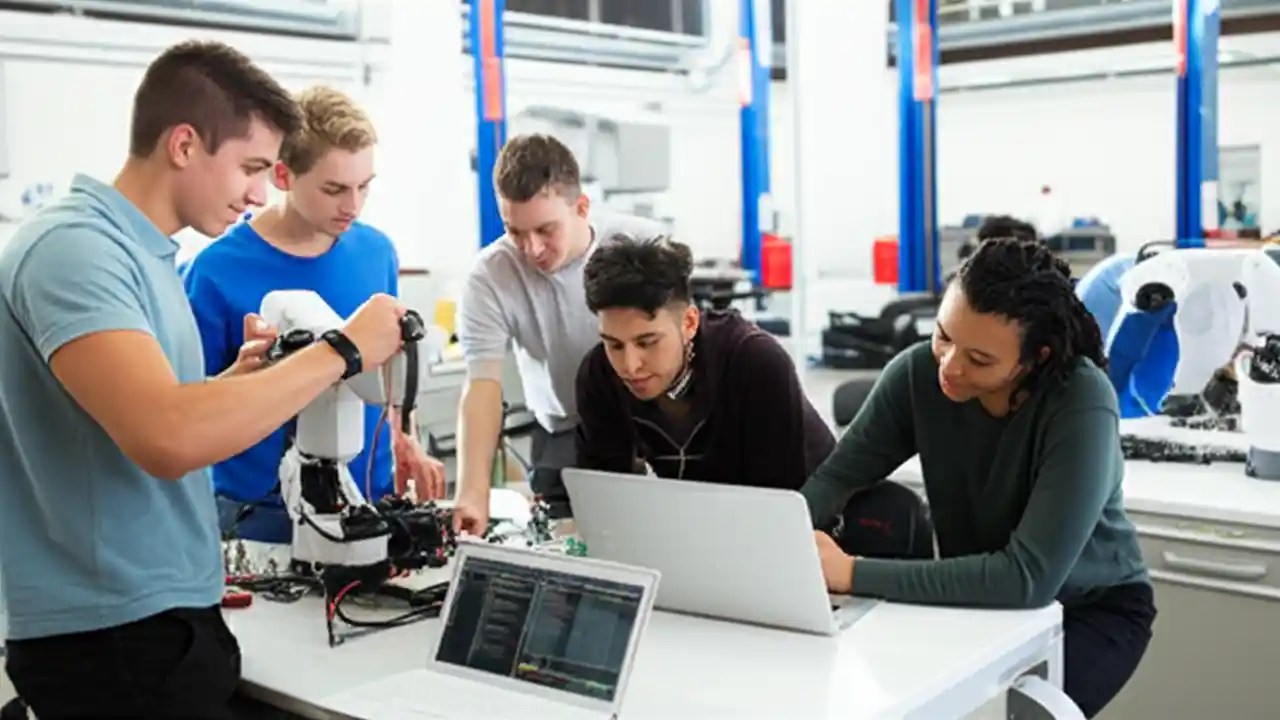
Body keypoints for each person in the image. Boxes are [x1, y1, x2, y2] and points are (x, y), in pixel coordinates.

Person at [0, 41, 409, 718]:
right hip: (114, 634)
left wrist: (235, 382)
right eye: (251, 168)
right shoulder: (76, 251)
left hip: (162, 619)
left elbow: (160, 410)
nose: (258, 193)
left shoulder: (145, 256)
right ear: (185, 144)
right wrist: (342, 350)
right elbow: (167, 437)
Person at [801, 236, 1154, 718]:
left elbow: (1027, 578)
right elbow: (837, 479)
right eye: (944, 336)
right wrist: (787, 538)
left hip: (1089, 608)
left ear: (1036, 357)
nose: (950, 366)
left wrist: (850, 573)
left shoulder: (1081, 400)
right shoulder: (918, 375)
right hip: (978, 604)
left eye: (980, 359)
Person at [182, 85, 445, 543]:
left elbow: (389, 366)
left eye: (364, 186)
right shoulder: (215, 272)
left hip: (369, 504)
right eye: (334, 189)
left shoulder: (377, 252)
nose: (353, 206)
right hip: (258, 517)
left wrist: (406, 438)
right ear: (283, 175)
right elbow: (189, 411)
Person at [451, 134, 662, 532]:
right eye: (515, 232)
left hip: (649, 421)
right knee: (560, 540)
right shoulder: (491, 275)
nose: (532, 249)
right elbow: (482, 386)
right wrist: (473, 493)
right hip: (562, 430)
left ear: (581, 208)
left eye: (546, 230)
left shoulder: (641, 245)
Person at [574, 233, 834, 488]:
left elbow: (778, 495)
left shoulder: (754, 361)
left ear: (689, 323)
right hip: (701, 509)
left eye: (647, 343)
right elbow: (605, 488)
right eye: (615, 344)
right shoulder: (599, 374)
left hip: (815, 503)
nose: (630, 366)